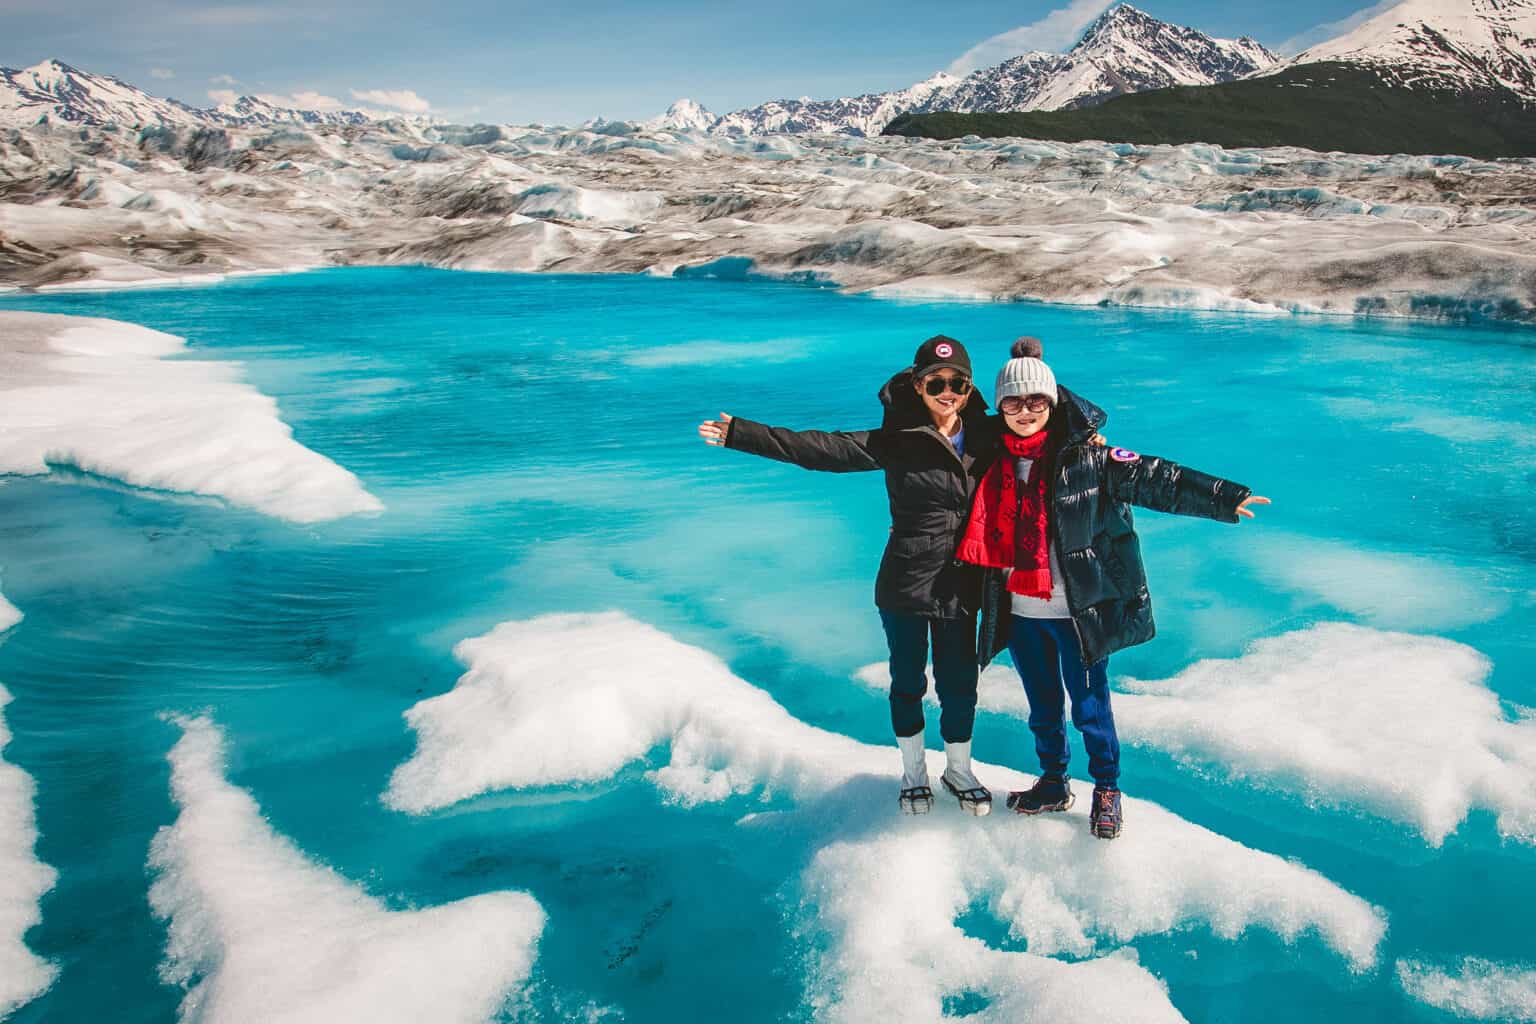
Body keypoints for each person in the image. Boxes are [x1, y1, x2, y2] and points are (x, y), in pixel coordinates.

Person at [699, 336, 1072, 817]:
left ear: (969, 388)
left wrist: (1085, 434)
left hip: (962, 587)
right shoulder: (897, 439)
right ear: (918, 385)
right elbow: (821, 449)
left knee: (960, 685)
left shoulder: (986, 434)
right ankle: (914, 774)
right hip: (905, 584)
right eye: (935, 382)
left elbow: (1043, 417)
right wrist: (742, 433)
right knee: (907, 682)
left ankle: (958, 770)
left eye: (957, 383)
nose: (947, 391)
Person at [956, 338, 1269, 839]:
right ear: (1000, 407)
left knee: (1090, 707)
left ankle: (1106, 789)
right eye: (1012, 402)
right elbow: (940, 422)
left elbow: (1154, 477)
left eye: (1036, 400)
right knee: (1041, 706)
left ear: (1053, 402)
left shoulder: (1089, 458)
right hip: (1019, 610)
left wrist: (1223, 499)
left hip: (1080, 611)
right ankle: (1054, 782)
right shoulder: (987, 454)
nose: (1024, 412)